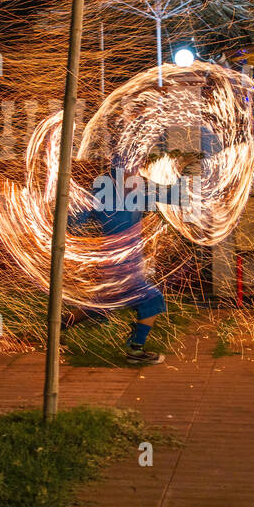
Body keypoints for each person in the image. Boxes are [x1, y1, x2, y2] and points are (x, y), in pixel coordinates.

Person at [64, 144, 203, 365]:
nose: (136, 172)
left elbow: (177, 196)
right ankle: (135, 350)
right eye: (132, 168)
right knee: (152, 300)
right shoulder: (125, 192)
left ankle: (57, 326)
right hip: (122, 267)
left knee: (100, 307)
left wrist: (185, 171)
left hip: (116, 265)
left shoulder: (115, 191)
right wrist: (188, 170)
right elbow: (179, 196)